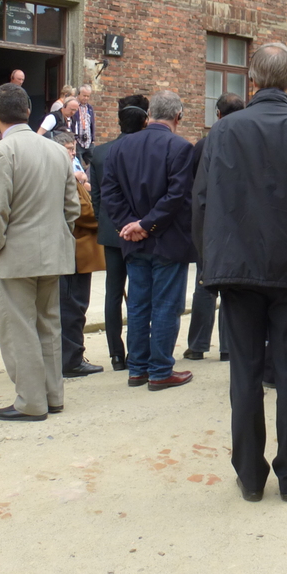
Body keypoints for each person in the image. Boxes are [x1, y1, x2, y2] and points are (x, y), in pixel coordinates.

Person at [193, 42, 287, 503]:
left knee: (244, 374)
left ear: (252, 80)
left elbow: (201, 202)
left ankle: (251, 474)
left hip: (237, 268)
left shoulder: (224, 131)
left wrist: (209, 262)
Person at [0, 83, 79, 420]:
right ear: (29, 112)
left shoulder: (1, 152)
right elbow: (72, 209)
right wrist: (58, 238)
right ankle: (53, 396)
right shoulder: (57, 152)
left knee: (19, 330)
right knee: (49, 325)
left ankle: (31, 402)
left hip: (13, 256)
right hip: (53, 254)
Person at [101, 91, 195, 392]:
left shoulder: (120, 146)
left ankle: (138, 368)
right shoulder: (180, 147)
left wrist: (130, 225)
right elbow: (177, 196)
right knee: (166, 305)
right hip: (168, 241)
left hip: (134, 241)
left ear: (149, 115)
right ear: (178, 117)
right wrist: (144, 224)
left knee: (139, 305)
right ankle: (160, 370)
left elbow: (109, 193)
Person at [89, 94, 149, 371]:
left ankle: (116, 353)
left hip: (112, 231)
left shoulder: (101, 153)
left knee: (113, 292)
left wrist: (108, 224)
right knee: (140, 291)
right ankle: (140, 350)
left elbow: (97, 199)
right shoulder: (147, 150)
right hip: (141, 231)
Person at [183, 92, 244, 361]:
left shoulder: (203, 145)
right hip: (239, 222)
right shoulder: (247, 143)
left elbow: (194, 186)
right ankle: (228, 347)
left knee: (205, 283)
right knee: (233, 286)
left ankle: (198, 345)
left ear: (217, 114)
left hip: (208, 222)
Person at [52, 132, 105, 378]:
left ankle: (68, 357)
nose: (73, 154)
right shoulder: (65, 179)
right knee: (73, 307)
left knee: (70, 306)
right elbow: (85, 213)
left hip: (71, 251)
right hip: (76, 252)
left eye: (74, 149)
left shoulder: (67, 177)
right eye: (68, 149)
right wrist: (105, 217)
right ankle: (71, 360)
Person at [71, 83, 96, 164]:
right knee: (78, 164)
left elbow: (92, 123)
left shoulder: (90, 108)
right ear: (79, 94)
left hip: (89, 141)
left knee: (93, 163)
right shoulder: (74, 106)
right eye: (84, 95)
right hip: (78, 141)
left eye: (88, 96)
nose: (86, 98)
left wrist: (93, 139)